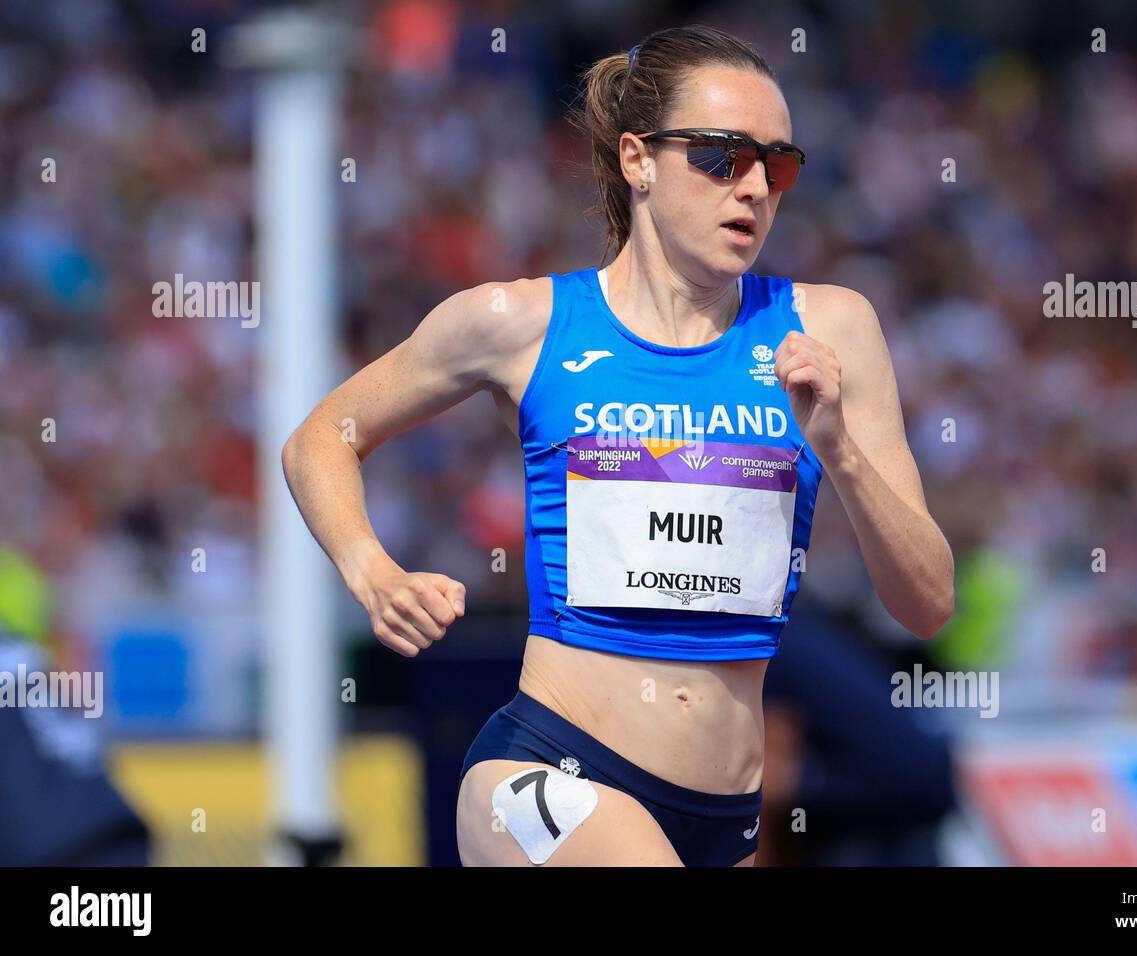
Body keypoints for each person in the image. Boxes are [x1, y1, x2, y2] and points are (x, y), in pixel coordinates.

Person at [281, 24, 953, 867]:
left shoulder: (832, 328)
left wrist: (841, 450)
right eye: (719, 157)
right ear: (638, 160)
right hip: (551, 769)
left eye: (776, 165)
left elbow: (926, 602)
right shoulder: (521, 323)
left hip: (725, 818)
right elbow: (320, 439)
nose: (752, 189)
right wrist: (372, 573)